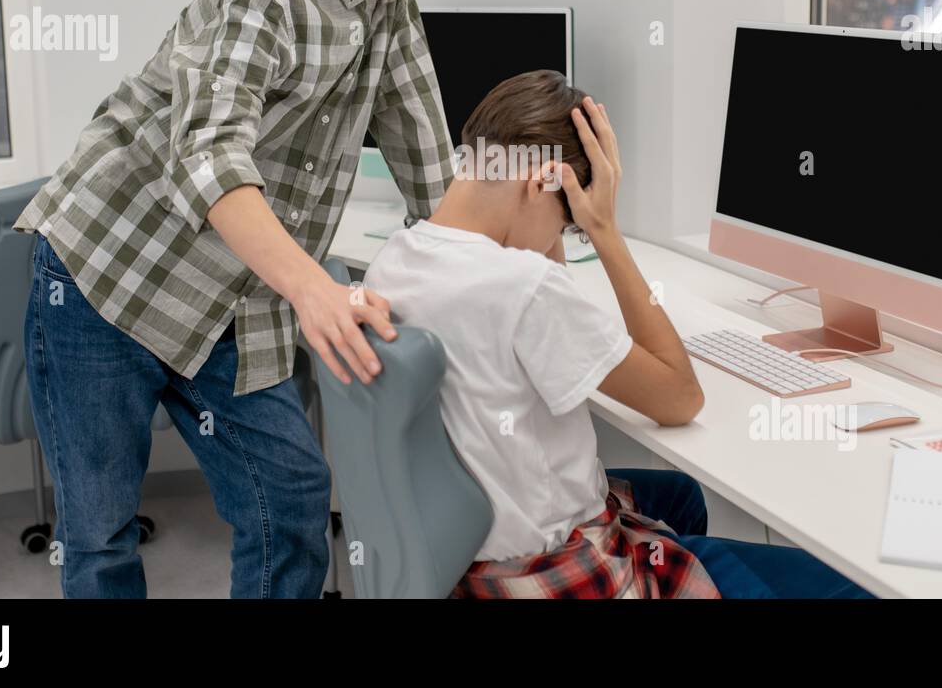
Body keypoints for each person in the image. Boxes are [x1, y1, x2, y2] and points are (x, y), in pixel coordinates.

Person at [13, 0, 505, 598]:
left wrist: (523, 261)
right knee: (98, 537)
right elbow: (208, 153)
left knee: (292, 499)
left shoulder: (392, 12)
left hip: (234, 300)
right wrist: (314, 288)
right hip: (109, 275)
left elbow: (431, 176)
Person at [362, 71, 876, 598]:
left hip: (463, 557)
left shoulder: (396, 259)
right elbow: (680, 398)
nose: (561, 236)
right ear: (544, 184)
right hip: (550, 569)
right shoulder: (523, 287)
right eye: (566, 222)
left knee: (679, 496)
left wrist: (556, 209)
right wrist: (605, 229)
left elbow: (536, 293)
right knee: (849, 589)